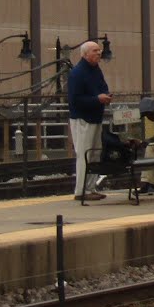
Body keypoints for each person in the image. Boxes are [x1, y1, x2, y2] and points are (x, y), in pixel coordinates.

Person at [68, 40, 111, 201]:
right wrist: (97, 99)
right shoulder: (77, 73)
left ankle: (90, 187)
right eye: (95, 50)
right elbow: (75, 100)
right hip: (82, 119)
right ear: (85, 54)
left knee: (94, 154)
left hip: (95, 116)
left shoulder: (95, 70)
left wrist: (105, 96)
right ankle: (80, 191)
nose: (99, 53)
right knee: (84, 154)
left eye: (99, 50)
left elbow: (102, 87)